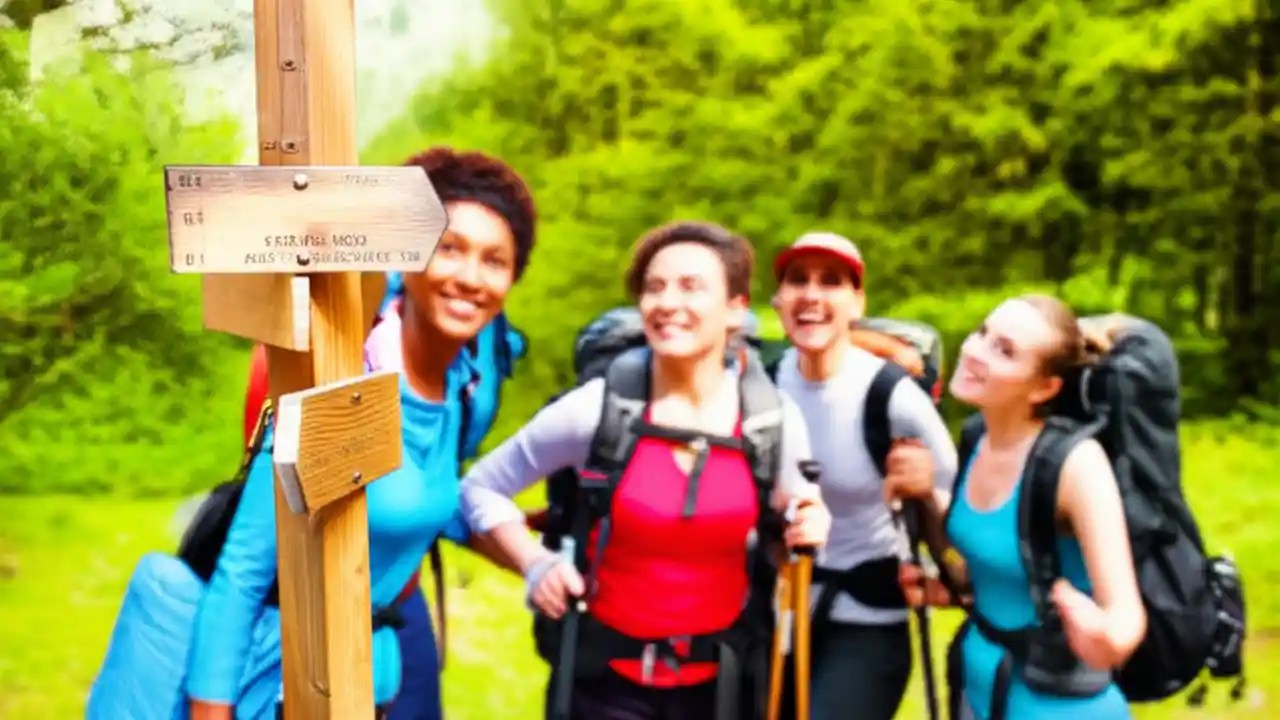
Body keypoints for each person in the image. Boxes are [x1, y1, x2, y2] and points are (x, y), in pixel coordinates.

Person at [186, 146, 538, 720]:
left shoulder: (466, 386)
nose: (470, 278)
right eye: (448, 248)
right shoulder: (343, 373)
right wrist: (209, 713)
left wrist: (524, 543)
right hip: (290, 671)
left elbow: (420, 496)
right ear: (405, 258)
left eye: (494, 260)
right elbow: (245, 570)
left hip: (385, 657)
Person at [460, 220, 833, 719]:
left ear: (736, 310)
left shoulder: (771, 420)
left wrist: (811, 521)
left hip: (722, 687)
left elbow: (795, 519)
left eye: (690, 286)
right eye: (654, 288)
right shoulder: (600, 409)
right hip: (602, 686)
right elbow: (480, 488)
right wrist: (535, 563)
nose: (666, 302)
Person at [901, 295, 1147, 720]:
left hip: (1056, 706)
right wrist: (944, 584)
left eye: (1005, 350)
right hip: (978, 689)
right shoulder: (978, 437)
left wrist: (1109, 640)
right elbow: (998, 566)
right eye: (983, 333)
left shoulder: (1075, 463)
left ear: (1044, 387)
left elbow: (1125, 616)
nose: (975, 351)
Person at [768, 232, 957, 720]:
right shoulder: (759, 386)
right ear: (778, 301)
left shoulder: (892, 395)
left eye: (832, 282)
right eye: (798, 281)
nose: (812, 294)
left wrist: (927, 491)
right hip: (775, 616)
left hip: (868, 618)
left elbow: (955, 505)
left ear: (857, 302)